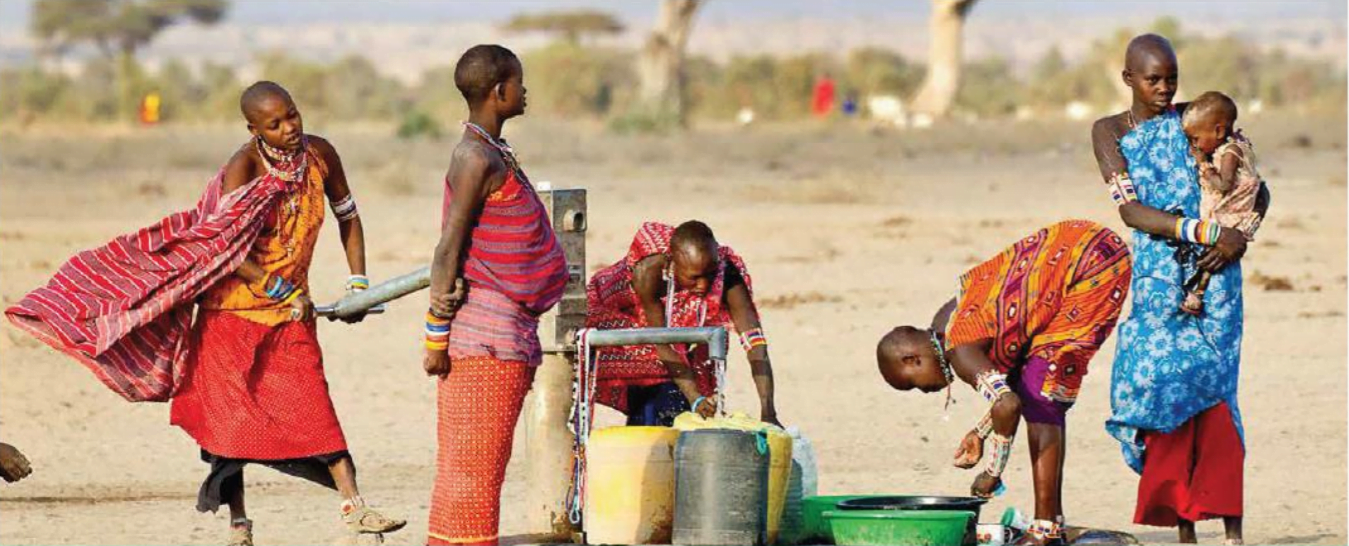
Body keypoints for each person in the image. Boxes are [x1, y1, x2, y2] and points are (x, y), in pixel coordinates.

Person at [7, 81, 403, 545]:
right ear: (253, 129)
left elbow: (348, 215)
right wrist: (276, 287)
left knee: (313, 406)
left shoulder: (321, 156)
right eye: (274, 124)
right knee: (228, 427)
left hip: (290, 316)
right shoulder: (244, 168)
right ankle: (239, 524)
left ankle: (355, 507)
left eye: (292, 115)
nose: (289, 128)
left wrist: (359, 282)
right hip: (229, 313)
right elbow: (226, 248)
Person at [1090, 34, 1270, 546]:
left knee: (1214, 397)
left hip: (1217, 280)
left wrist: (1239, 239)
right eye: (1153, 79)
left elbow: (1257, 188)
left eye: (1171, 78)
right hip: (1157, 279)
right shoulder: (1109, 132)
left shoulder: (1199, 116)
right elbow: (1130, 210)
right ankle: (1182, 523)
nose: (1165, 89)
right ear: (1128, 79)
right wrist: (1206, 231)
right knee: (1155, 389)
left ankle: (1229, 527)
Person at [877, 220, 1132, 546]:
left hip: (1092, 267)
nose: (926, 391)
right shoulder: (946, 320)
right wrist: (980, 432)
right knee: (1037, 387)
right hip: (1080, 243)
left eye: (914, 385)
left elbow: (1008, 403)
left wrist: (992, 473)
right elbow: (1012, 380)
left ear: (911, 360)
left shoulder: (958, 350)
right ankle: (1051, 522)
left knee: (1044, 401)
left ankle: (1043, 532)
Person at [422, 44, 569, 546]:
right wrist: (434, 337)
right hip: (483, 339)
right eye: (520, 83)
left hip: (504, 336)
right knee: (473, 476)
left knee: (478, 471)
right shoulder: (474, 156)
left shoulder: (490, 150)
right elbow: (448, 248)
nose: (525, 91)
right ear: (500, 91)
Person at [586, 221, 780, 427]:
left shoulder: (725, 272)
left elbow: (755, 344)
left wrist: (768, 412)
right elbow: (660, 341)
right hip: (618, 317)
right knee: (664, 389)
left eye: (710, 275)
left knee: (697, 381)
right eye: (694, 278)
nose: (704, 285)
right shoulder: (648, 272)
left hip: (671, 327)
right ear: (672, 263)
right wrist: (694, 397)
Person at [1179, 91, 1265, 316]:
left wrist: (1203, 164)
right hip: (1229, 210)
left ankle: (1197, 294)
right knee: (1210, 254)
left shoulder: (1230, 152)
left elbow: (1224, 184)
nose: (1194, 145)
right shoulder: (1229, 145)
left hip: (1230, 211)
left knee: (1212, 253)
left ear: (1218, 131)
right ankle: (1196, 293)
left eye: (1196, 139)